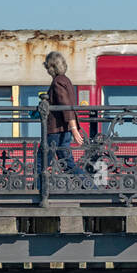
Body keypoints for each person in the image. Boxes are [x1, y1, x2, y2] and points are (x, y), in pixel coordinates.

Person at [38, 50, 90, 189]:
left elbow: (65, 106)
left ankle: (39, 192)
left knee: (41, 162)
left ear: (51, 67)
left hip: (56, 131)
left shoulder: (57, 82)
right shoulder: (66, 80)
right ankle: (90, 188)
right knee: (67, 163)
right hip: (62, 130)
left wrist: (74, 129)